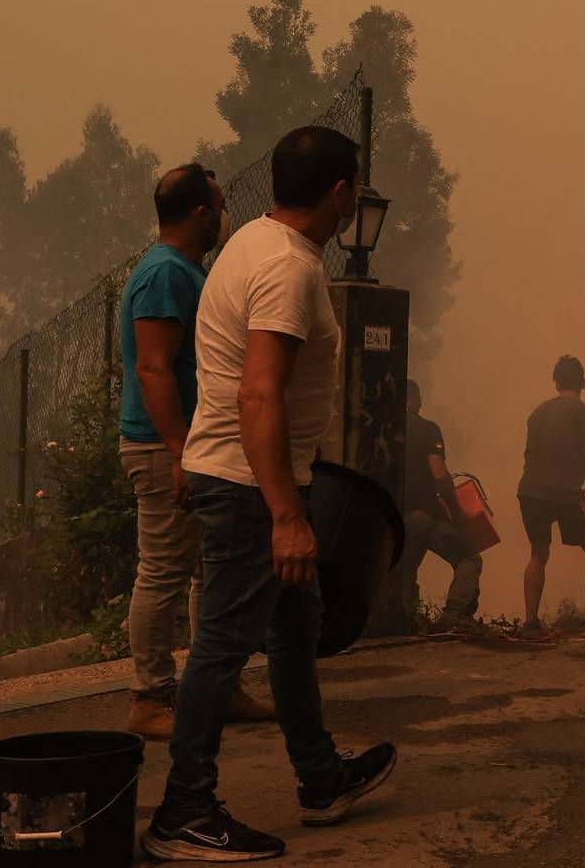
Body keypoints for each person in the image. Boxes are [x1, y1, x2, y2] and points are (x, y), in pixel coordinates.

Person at [144, 126, 396, 862]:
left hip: (250, 476)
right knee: (221, 647)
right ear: (342, 193)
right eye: (355, 187)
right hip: (251, 485)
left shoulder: (251, 241)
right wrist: (288, 515)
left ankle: (321, 780)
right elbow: (259, 396)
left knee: (292, 627)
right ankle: (183, 811)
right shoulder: (287, 269)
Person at [118, 163, 274, 739]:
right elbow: (154, 366)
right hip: (165, 449)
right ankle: (149, 698)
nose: (225, 213)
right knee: (162, 571)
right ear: (203, 214)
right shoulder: (163, 274)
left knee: (207, 573)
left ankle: (218, 685)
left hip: (190, 447)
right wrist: (180, 450)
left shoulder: (185, 271)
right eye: (221, 202)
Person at [516, 355, 585, 637]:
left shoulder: (537, 413)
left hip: (529, 491)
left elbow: (543, 453)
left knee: (538, 554)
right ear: (584, 382)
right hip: (565, 494)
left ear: (556, 383)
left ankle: (531, 624)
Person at [403, 379, 483, 633]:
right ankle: (455, 615)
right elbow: (439, 476)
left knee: (404, 570)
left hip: (393, 517)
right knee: (468, 557)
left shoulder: (383, 429)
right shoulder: (427, 429)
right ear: (416, 399)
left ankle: (403, 619)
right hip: (425, 514)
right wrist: (456, 512)